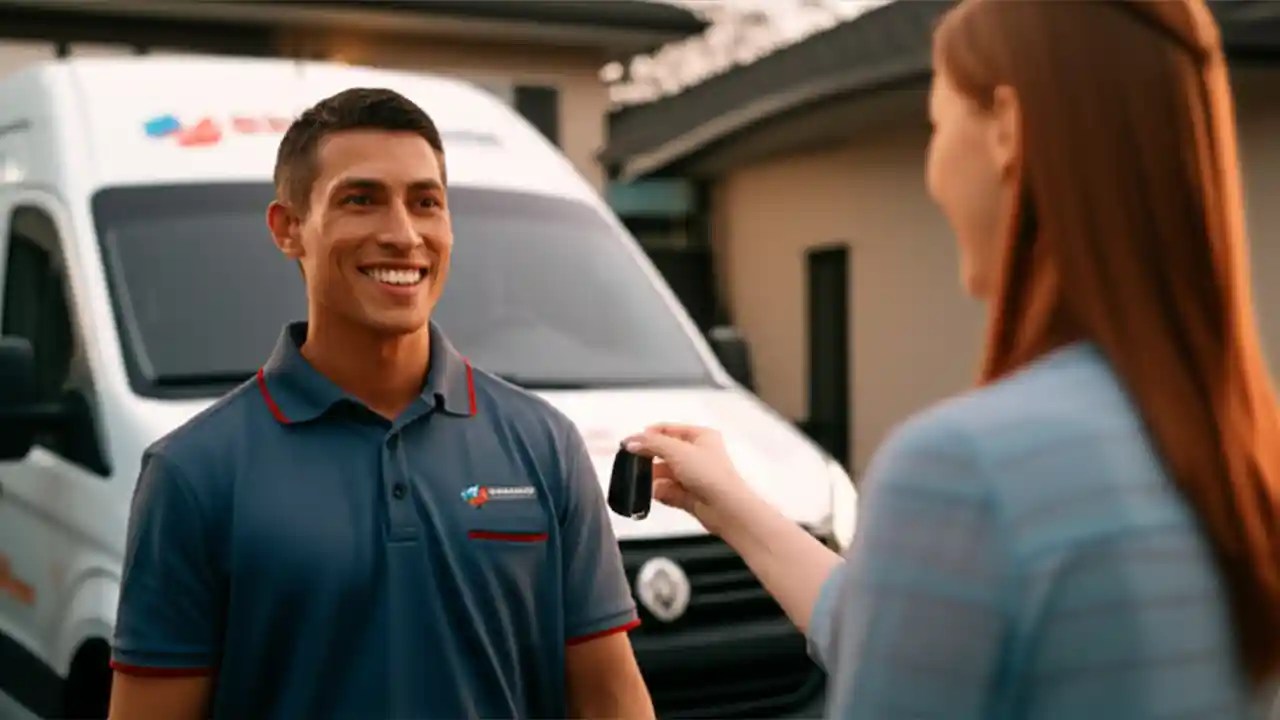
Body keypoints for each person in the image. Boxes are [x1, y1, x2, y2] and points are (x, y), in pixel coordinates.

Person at [625, 0, 1280, 717]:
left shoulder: (967, 470)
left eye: (937, 126)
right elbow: (910, 631)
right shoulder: (1244, 464)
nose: (934, 169)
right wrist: (737, 508)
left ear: (1006, 129)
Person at [107, 88, 654, 720]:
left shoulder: (544, 444)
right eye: (360, 200)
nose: (403, 234)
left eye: (426, 203)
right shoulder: (194, 473)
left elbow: (610, 699)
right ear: (289, 230)